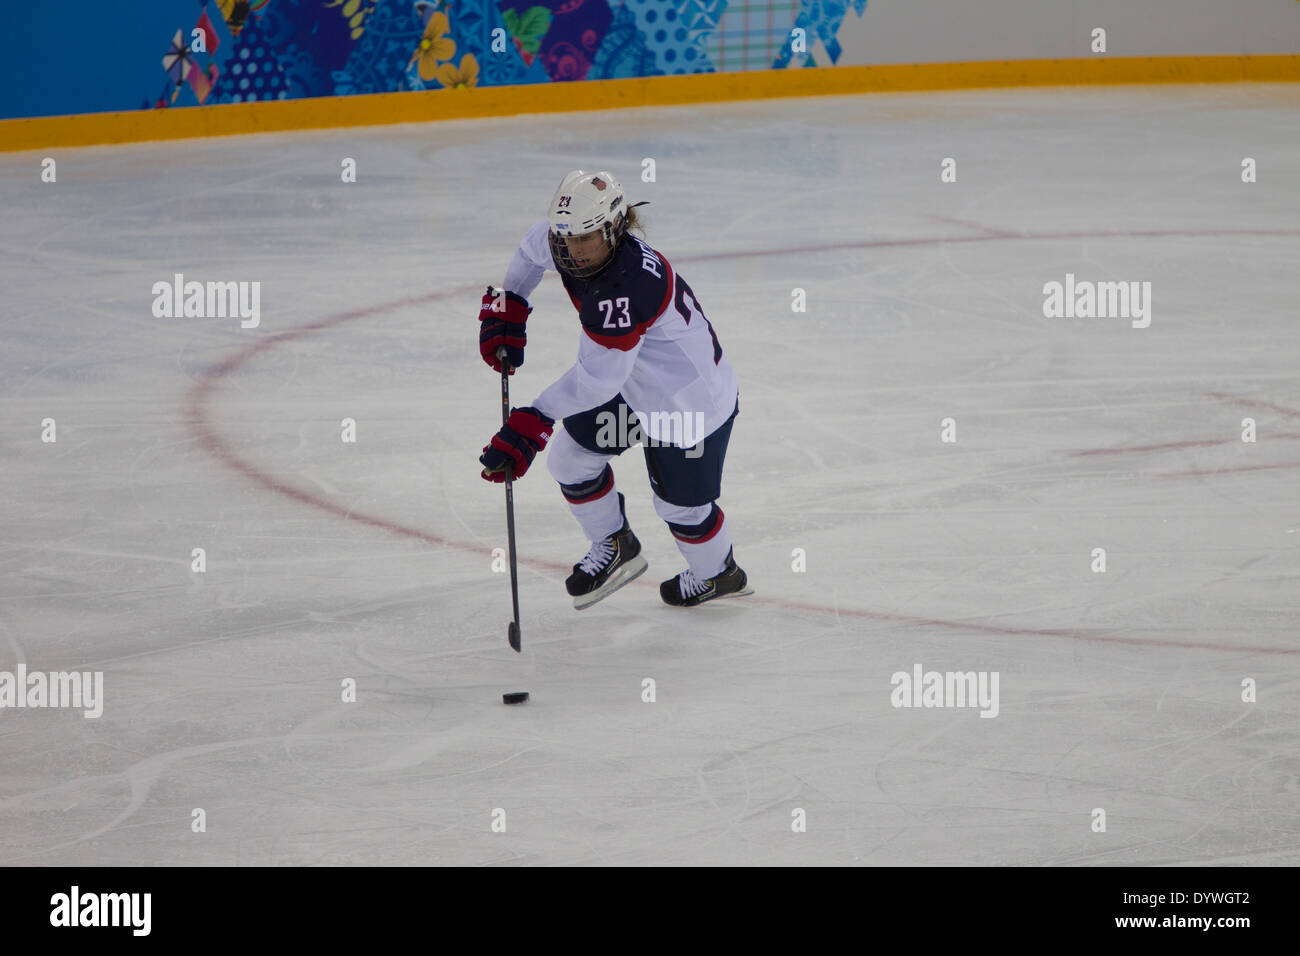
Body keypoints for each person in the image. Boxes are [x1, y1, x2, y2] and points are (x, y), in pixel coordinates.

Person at [476, 169, 751, 609]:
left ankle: (719, 574)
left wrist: (537, 417)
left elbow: (598, 379)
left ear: (615, 228)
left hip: (687, 407)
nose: (574, 249)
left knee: (680, 510)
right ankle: (615, 543)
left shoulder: (624, 289)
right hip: (634, 389)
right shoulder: (565, 240)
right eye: (566, 237)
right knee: (570, 459)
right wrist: (511, 303)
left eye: (586, 238)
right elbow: (532, 251)